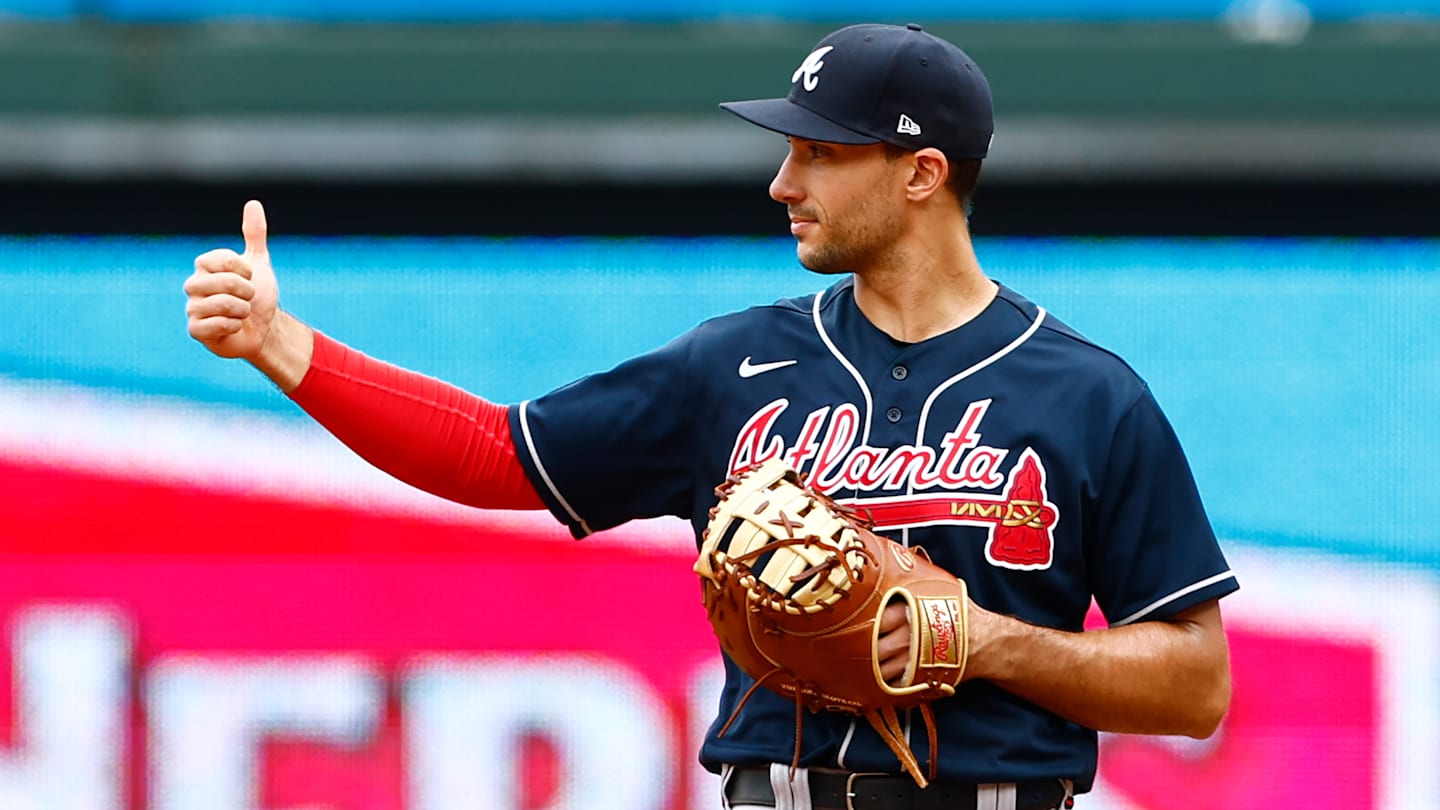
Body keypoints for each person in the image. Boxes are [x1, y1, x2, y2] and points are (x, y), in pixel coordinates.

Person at [184, 22, 1236, 810]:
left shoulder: (1088, 394)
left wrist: (993, 643)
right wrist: (283, 346)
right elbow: (493, 452)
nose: (783, 182)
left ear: (922, 173)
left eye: (821, 153)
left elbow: (1195, 684)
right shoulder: (733, 366)